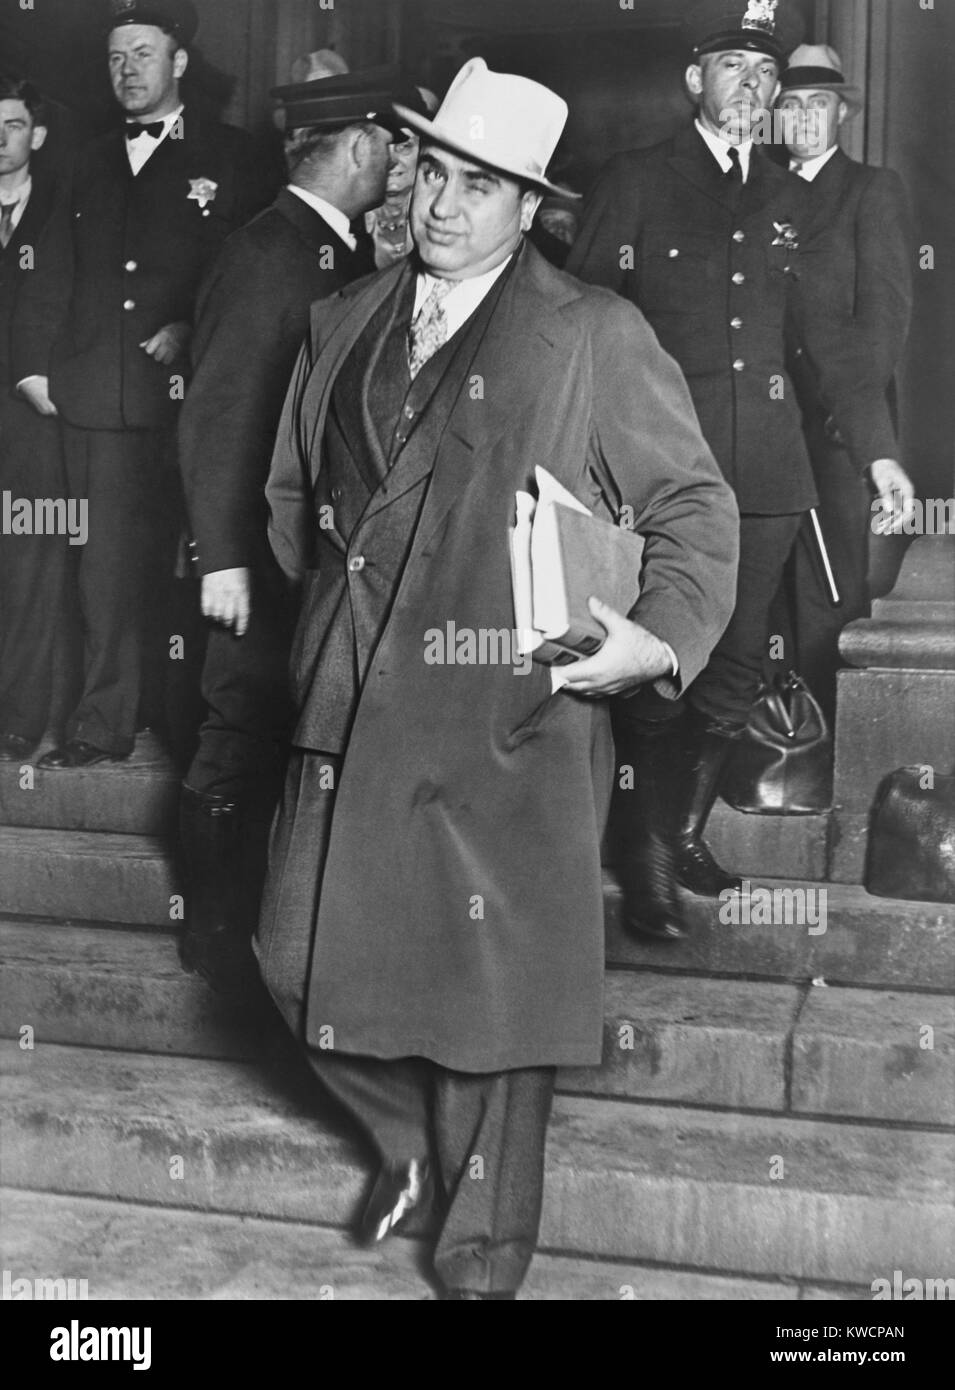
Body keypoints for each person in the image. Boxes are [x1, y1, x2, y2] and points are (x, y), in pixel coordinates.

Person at [255, 57, 738, 1300]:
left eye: (482, 186)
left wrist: (656, 638)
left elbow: (692, 505)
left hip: (504, 714)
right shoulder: (343, 318)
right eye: (434, 174)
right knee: (288, 957)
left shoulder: (592, 336)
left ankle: (480, 1267)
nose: (444, 205)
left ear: (530, 208)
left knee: (490, 1014)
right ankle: (408, 1149)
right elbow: (293, 498)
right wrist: (333, 616)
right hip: (346, 698)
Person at [566, 0, 915, 941]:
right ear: (695, 82)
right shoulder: (636, 181)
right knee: (654, 663)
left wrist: (878, 451)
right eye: (733, 69)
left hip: (766, 478)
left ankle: (676, 828)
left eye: (764, 76)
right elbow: (579, 319)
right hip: (659, 477)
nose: (752, 89)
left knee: (727, 673)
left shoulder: (789, 202)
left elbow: (832, 346)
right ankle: (641, 861)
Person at [176, 69, 404, 995]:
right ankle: (217, 936)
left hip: (303, 552)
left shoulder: (328, 249)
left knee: (278, 726)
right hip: (256, 557)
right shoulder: (270, 252)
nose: (402, 163)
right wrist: (221, 558)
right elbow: (218, 415)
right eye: (393, 145)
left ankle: (265, 920)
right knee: (238, 727)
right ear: (356, 147)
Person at [14, 0, 267, 771]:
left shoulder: (234, 156)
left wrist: (196, 328)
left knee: (200, 561)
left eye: (144, 54)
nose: (128, 70)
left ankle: (196, 728)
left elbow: (251, 272)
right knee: (103, 572)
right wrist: (33, 368)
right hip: (96, 400)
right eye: (117, 57)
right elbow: (48, 267)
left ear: (179, 62)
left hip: (197, 402)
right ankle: (102, 722)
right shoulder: (83, 159)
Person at [772, 45, 913, 724]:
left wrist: (861, 435)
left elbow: (881, 324)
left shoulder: (869, 191)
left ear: (842, 113)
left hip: (836, 432)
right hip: (760, 428)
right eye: (790, 104)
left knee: (827, 595)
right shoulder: (756, 194)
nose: (802, 117)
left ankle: (822, 752)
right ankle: (767, 749)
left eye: (817, 103)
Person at [0, 79, 69, 763]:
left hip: (31, 421)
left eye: (13, 126)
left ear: (36, 136)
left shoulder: (68, 205)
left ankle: (19, 715)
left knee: (31, 568)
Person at [364, 85, 439, 269]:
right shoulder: (346, 223)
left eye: (404, 146)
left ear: (424, 152)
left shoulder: (441, 217)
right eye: (381, 147)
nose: (391, 161)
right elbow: (326, 268)